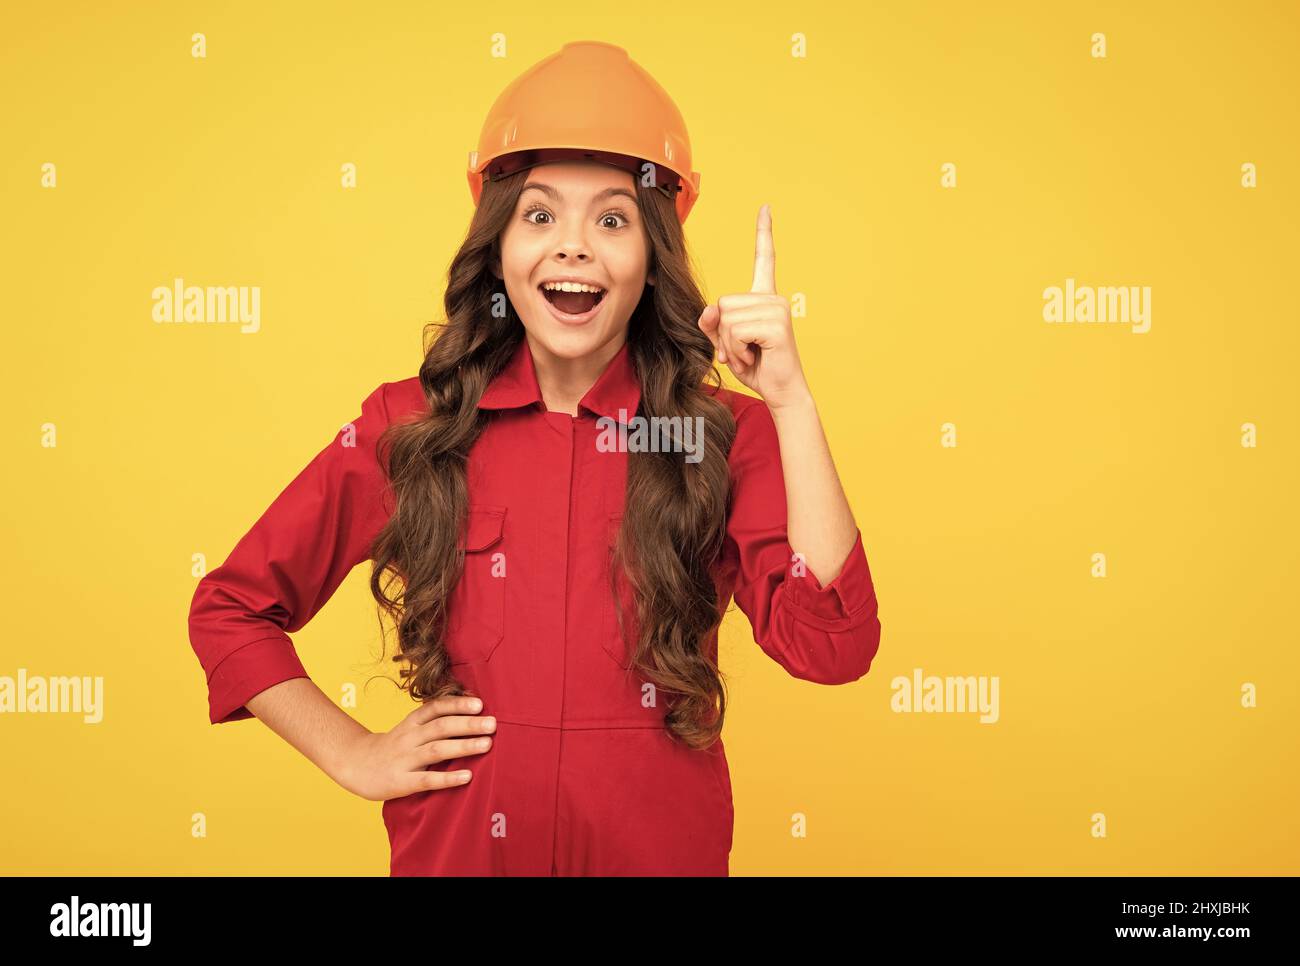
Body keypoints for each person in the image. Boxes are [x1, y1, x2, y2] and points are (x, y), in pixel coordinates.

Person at [187, 40, 883, 876]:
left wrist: (792, 402)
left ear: (650, 258)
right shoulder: (411, 424)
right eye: (541, 214)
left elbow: (834, 647)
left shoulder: (720, 435)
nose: (575, 247)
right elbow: (230, 609)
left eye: (613, 219)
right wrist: (351, 753)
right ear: (500, 244)